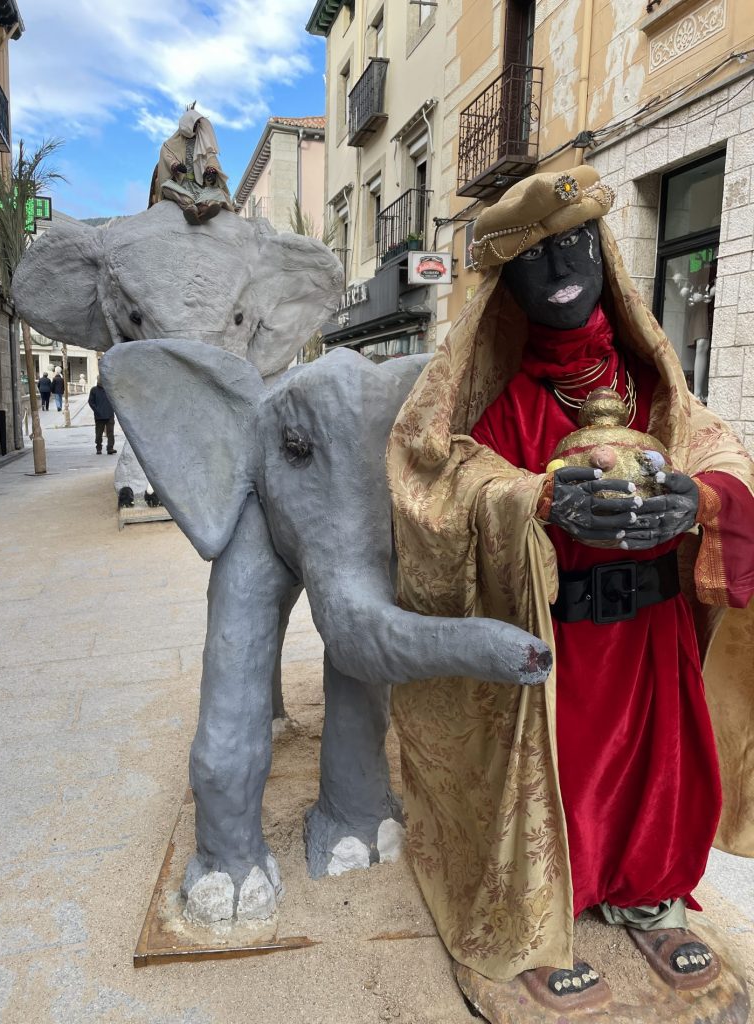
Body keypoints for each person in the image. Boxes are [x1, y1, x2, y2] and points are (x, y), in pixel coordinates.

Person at [387, 166, 754, 1018]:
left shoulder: (655, 385)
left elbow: (723, 455)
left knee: (656, 764)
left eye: (578, 242)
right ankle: (544, 906)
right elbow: (441, 487)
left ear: (606, 256)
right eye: (535, 255)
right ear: (506, 285)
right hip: (559, 641)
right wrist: (536, 497)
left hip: (654, 628)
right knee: (567, 771)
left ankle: (648, 895)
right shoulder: (506, 401)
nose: (562, 265)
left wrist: (698, 500)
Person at [150, 107, 233, 225]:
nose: (196, 127)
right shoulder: (170, 144)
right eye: (194, 124)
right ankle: (191, 208)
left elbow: (211, 158)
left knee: (218, 193)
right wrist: (175, 165)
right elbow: (167, 155)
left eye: (197, 125)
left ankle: (206, 208)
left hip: (201, 186)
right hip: (182, 185)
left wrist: (211, 170)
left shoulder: (202, 142)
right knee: (167, 187)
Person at [88, 377, 117, 455]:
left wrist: (113, 409)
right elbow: (91, 402)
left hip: (109, 414)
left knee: (110, 432)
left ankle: (110, 448)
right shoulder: (94, 390)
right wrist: (96, 410)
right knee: (99, 433)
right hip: (99, 416)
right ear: (97, 380)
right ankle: (98, 448)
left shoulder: (110, 389)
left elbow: (115, 400)